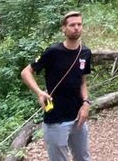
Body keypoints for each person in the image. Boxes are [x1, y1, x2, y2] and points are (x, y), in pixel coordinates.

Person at [20, 11, 93, 161]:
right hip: (56, 117)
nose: (76, 28)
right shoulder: (53, 52)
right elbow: (26, 72)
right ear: (64, 29)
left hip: (78, 115)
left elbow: (83, 82)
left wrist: (86, 103)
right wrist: (40, 92)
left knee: (83, 157)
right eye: (72, 25)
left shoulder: (85, 53)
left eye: (79, 24)